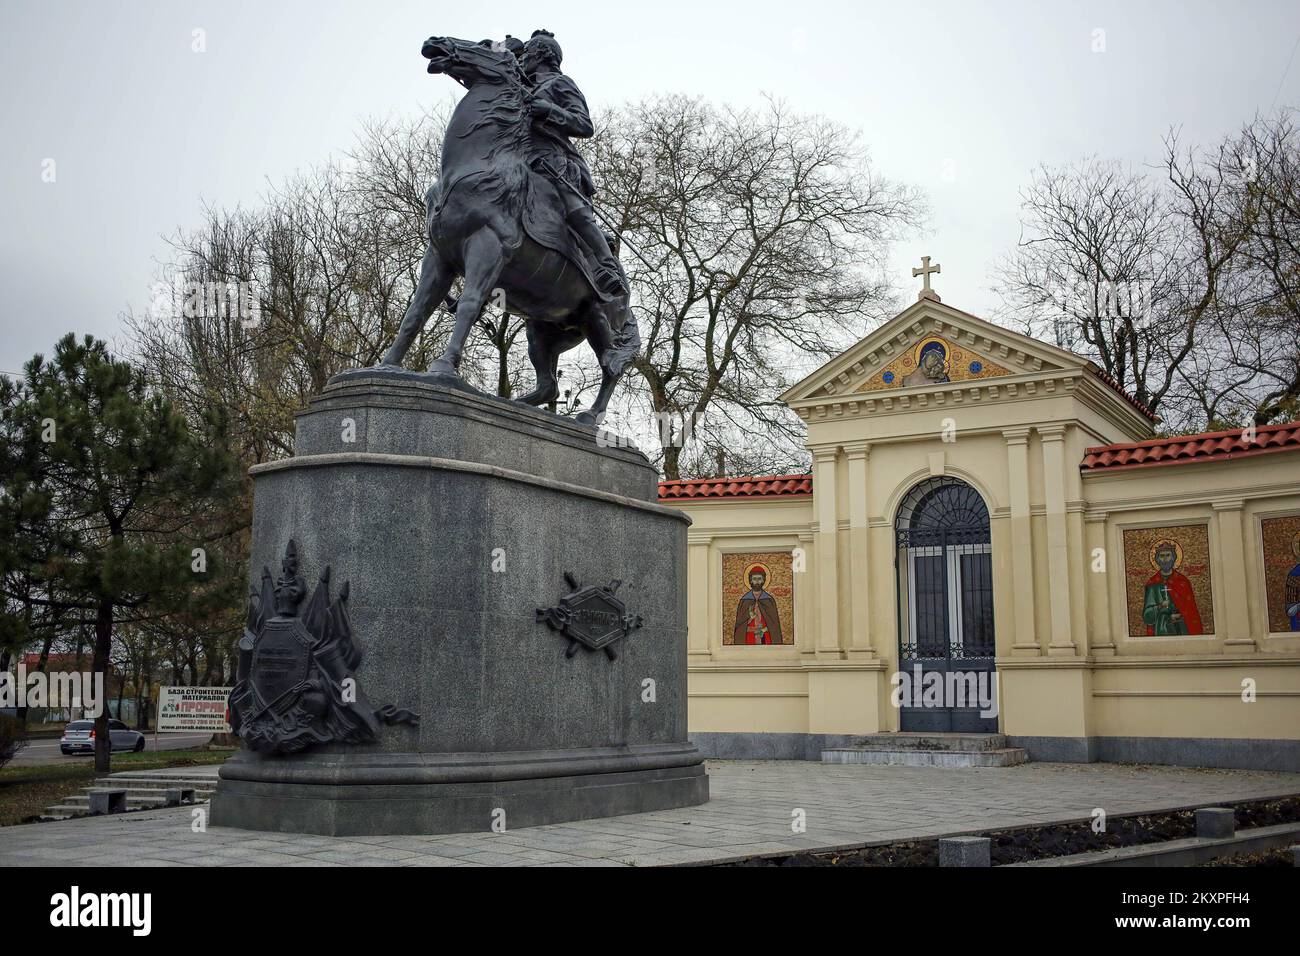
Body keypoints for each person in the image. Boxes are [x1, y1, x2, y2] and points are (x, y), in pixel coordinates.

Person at [518, 29, 627, 296]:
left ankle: (606, 266)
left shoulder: (559, 84)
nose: (523, 59)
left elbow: (584, 125)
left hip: (554, 160)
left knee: (574, 210)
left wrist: (549, 110)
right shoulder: (523, 89)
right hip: (519, 161)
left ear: (542, 54)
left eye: (528, 52)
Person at [732, 564, 784, 645]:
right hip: (748, 637)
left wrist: (765, 629)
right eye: (754, 579)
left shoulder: (769, 600)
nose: (757, 581)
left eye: (759, 579)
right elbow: (739, 624)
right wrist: (749, 617)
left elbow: (774, 623)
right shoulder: (744, 600)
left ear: (763, 580)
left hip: (765, 636)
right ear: (750, 580)